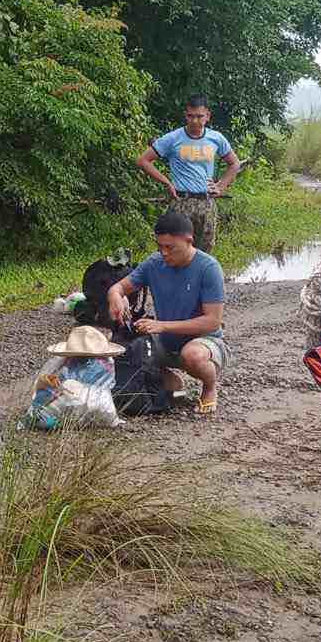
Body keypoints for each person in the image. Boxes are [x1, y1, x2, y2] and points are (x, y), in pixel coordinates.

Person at [105, 209, 228, 415]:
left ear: (189, 240)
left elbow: (212, 322)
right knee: (122, 350)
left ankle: (209, 387)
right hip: (165, 342)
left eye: (170, 247)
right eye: (160, 246)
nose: (164, 253)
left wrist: (162, 326)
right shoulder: (154, 263)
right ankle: (170, 381)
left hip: (204, 342)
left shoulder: (209, 268)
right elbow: (117, 288)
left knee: (193, 356)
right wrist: (116, 298)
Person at [135, 98, 241, 252]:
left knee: (203, 253)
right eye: (191, 116)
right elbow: (143, 160)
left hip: (206, 203)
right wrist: (167, 183)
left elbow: (235, 163)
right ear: (186, 116)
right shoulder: (173, 138)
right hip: (181, 202)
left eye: (199, 116)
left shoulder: (216, 138)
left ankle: (197, 277)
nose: (195, 121)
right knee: (173, 251)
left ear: (207, 116)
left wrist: (221, 186)